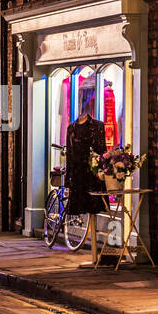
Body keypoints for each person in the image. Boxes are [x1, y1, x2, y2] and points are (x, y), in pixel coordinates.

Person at [65, 91, 107, 226]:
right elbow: (69, 156)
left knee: (93, 207)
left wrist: (104, 175)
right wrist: (68, 181)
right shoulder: (71, 128)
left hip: (92, 176)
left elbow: (102, 152)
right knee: (82, 207)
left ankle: (94, 241)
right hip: (77, 176)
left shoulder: (98, 126)